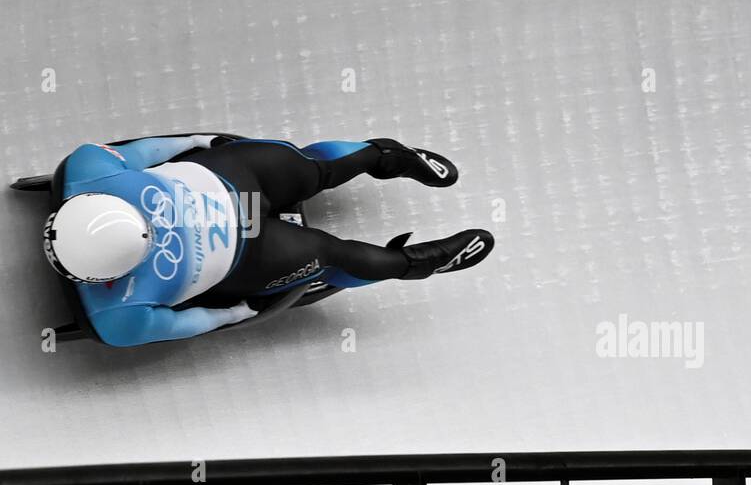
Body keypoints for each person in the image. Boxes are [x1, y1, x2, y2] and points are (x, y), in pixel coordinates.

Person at [42, 134, 494, 346]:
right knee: (333, 255)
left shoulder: (118, 318)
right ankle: (415, 262)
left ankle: (387, 155)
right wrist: (236, 312)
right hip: (253, 251)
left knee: (314, 169)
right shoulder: (86, 169)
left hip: (239, 184)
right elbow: (188, 324)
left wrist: (202, 140)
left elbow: (156, 148)